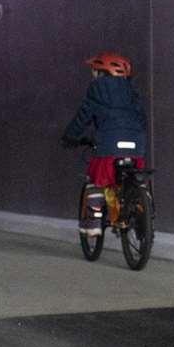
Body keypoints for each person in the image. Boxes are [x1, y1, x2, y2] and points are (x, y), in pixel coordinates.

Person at [61, 51, 148, 242]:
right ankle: (142, 206)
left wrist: (69, 137)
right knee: (135, 176)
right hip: (136, 143)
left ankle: (93, 226)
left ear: (102, 73)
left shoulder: (97, 90)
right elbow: (142, 119)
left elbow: (82, 119)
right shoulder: (132, 92)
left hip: (109, 144)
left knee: (97, 181)